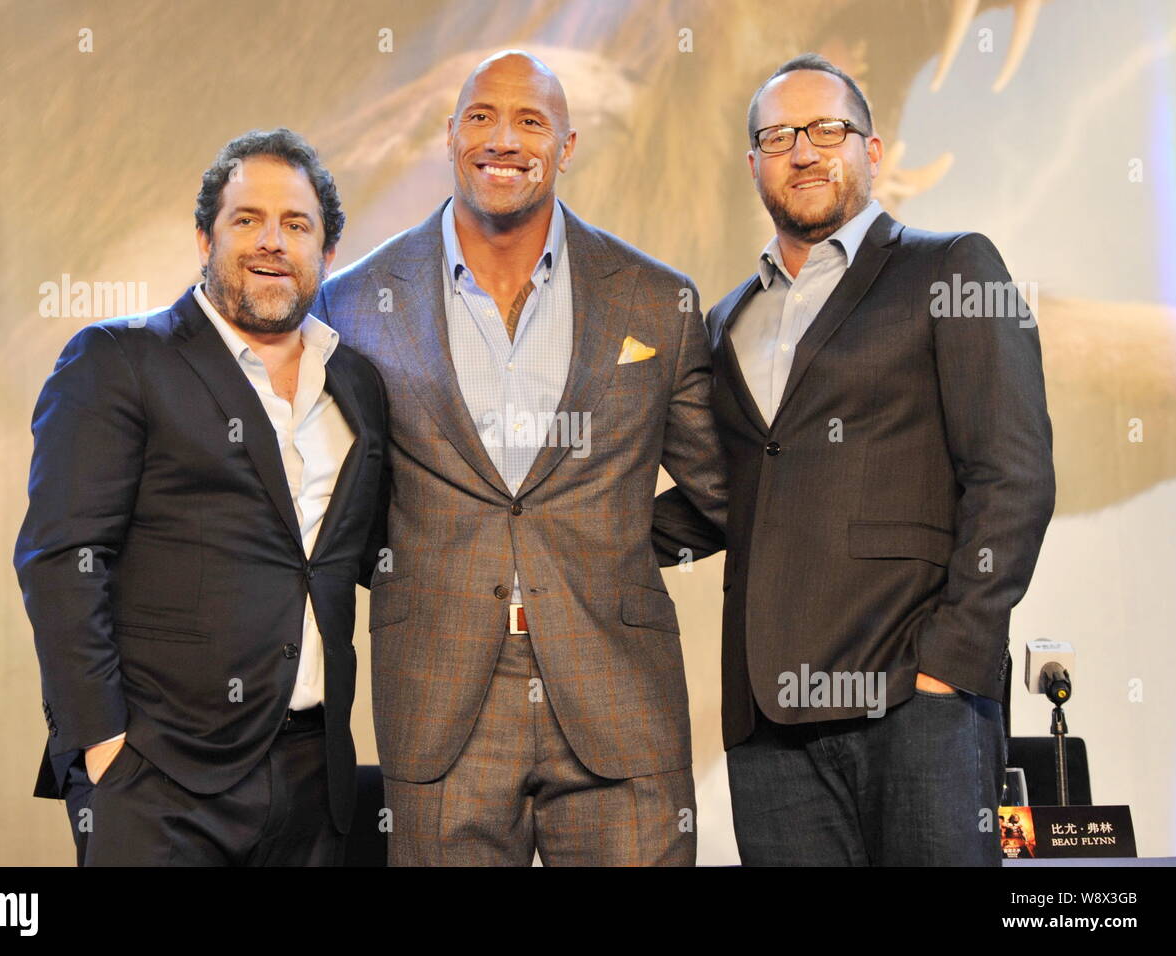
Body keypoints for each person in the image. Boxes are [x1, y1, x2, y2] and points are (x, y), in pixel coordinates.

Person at [317, 50, 726, 865]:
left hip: (619, 693)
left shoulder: (655, 297)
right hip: (440, 701)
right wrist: (421, 562)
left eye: (531, 121)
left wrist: (604, 547)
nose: (503, 140)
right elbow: (334, 504)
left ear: (567, 146)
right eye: (482, 117)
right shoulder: (354, 302)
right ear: (450, 135)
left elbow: (723, 494)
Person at [653, 54, 1054, 865]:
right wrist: (556, 522)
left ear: (872, 151)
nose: (803, 150)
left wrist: (950, 664)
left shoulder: (953, 267)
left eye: (827, 129)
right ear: (754, 164)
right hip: (769, 726)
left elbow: (1013, 475)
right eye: (778, 136)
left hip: (914, 703)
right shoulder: (724, 320)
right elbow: (734, 496)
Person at [14, 128, 387, 865]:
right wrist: (105, 750)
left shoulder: (358, 384)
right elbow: (61, 560)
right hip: (161, 782)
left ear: (329, 253)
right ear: (204, 238)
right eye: (246, 219)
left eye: (296, 224)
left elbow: (370, 552)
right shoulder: (120, 359)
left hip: (318, 780)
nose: (271, 242)